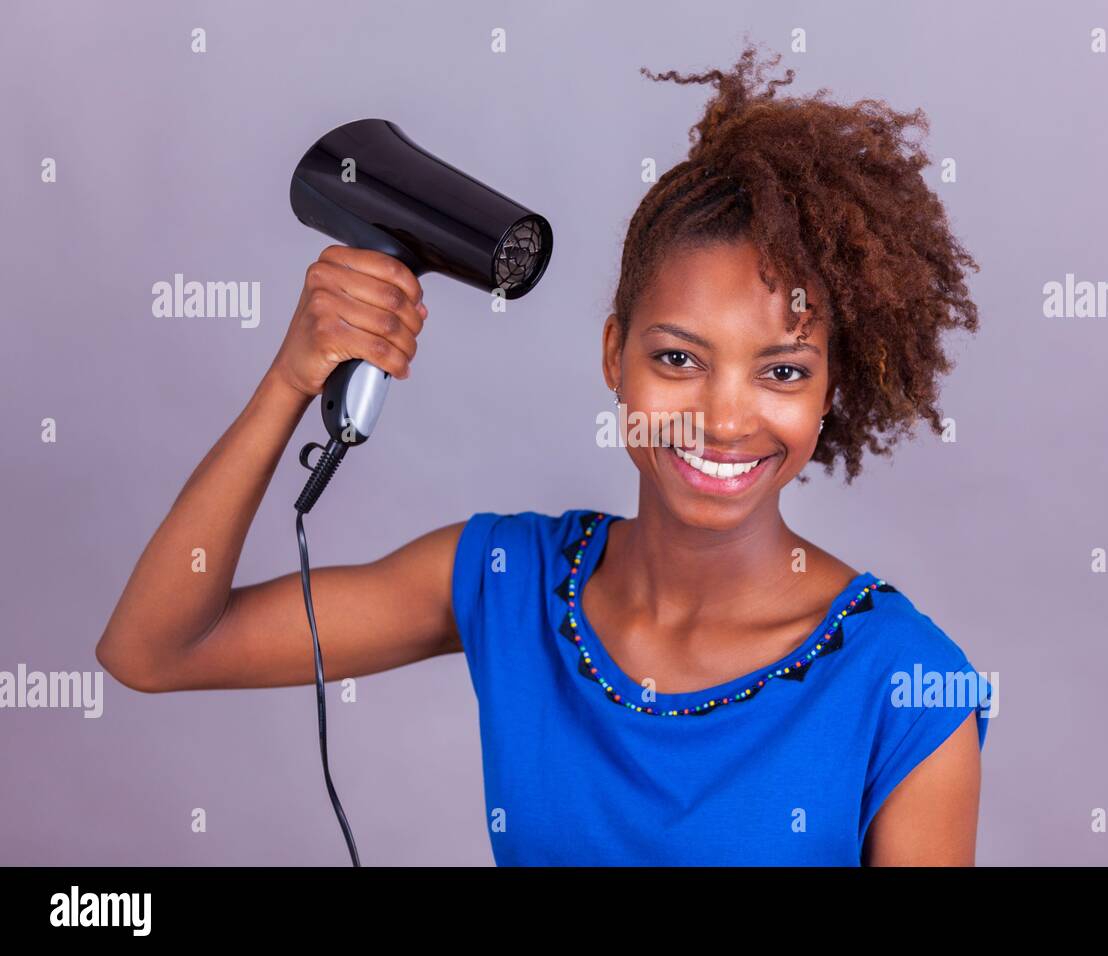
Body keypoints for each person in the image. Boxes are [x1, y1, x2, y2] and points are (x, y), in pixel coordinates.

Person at [97, 43, 991, 866]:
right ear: (614, 355)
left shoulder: (907, 685)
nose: (723, 419)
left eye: (782, 370)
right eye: (677, 358)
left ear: (830, 388)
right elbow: (157, 649)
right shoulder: (506, 579)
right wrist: (291, 379)